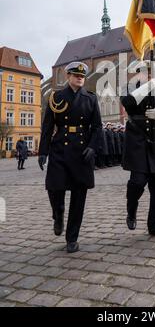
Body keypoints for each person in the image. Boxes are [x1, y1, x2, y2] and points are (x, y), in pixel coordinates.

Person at [38, 62, 102, 253]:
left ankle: (72, 238)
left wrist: (92, 147)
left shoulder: (90, 98)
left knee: (79, 196)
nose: (79, 78)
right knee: (54, 187)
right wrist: (43, 151)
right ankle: (58, 213)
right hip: (60, 148)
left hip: (82, 151)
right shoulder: (56, 97)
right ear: (68, 77)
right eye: (76, 75)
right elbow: (48, 126)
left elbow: (97, 127)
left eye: (82, 76)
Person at [121, 60, 155, 239]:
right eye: (144, 72)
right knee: (137, 182)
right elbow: (128, 103)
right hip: (138, 142)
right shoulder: (128, 87)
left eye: (151, 72)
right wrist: (147, 87)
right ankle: (131, 207)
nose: (148, 75)